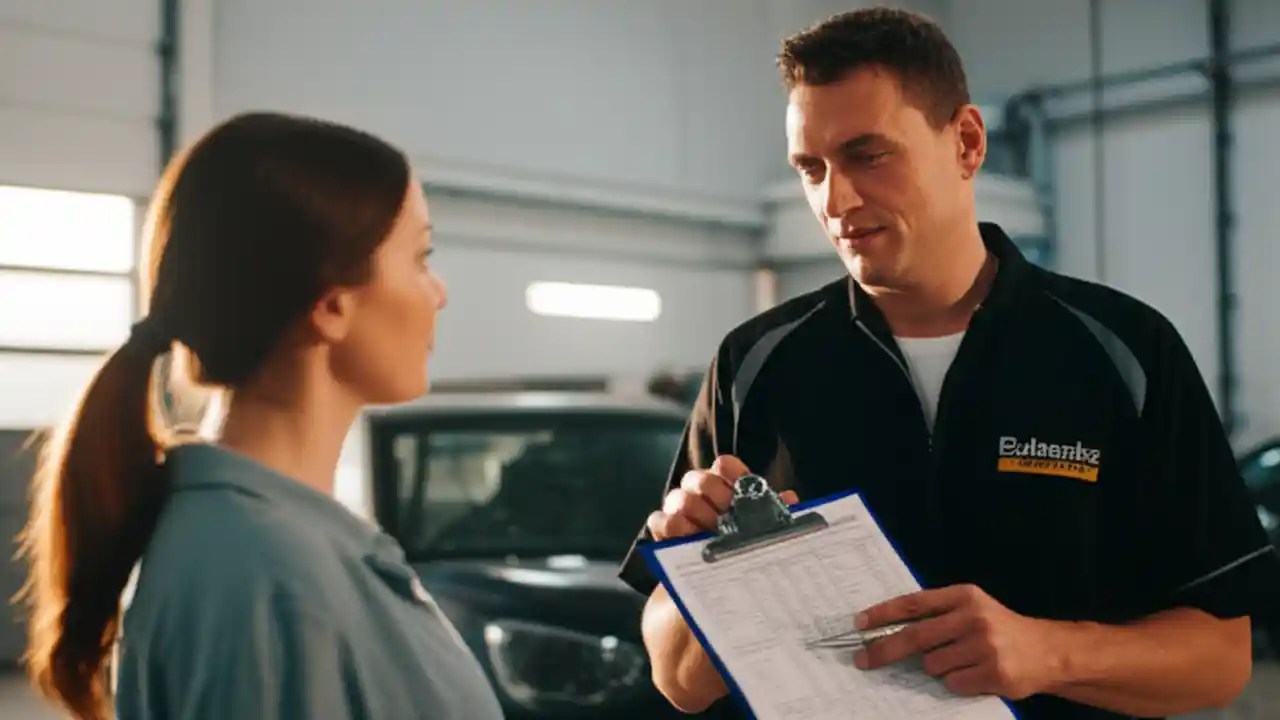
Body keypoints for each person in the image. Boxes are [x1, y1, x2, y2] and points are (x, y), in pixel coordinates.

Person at [619, 8, 1278, 720]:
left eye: (868, 155)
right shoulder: (756, 365)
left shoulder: (1121, 350)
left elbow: (1219, 661)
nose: (834, 201)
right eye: (811, 168)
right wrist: (700, 572)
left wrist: (1047, 654)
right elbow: (678, 682)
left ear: (965, 142)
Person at [20, 112, 505, 720]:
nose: (440, 292)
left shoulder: (273, 544)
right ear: (331, 306)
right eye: (420, 257)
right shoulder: (263, 578)